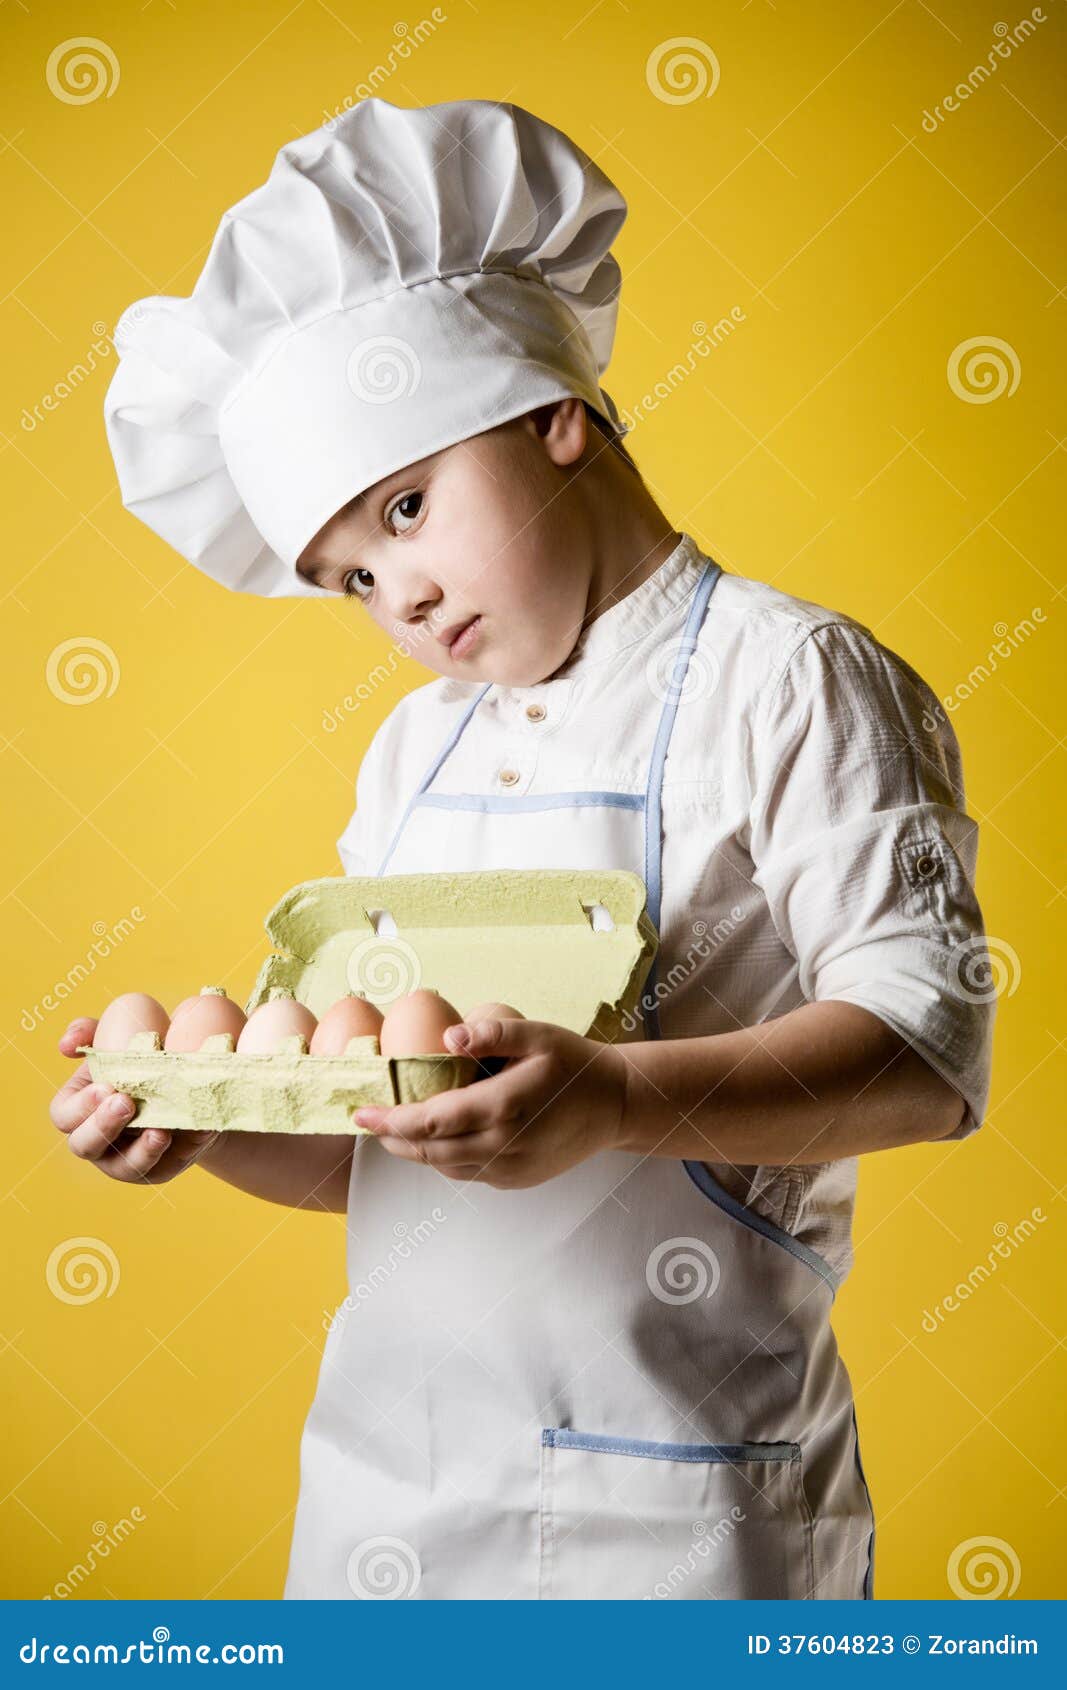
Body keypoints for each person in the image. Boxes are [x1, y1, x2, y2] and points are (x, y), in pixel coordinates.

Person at [51, 97, 993, 1600]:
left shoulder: (790, 678)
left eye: (410, 508)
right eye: (353, 574)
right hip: (386, 1507)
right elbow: (394, 1150)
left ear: (558, 408)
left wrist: (614, 1095)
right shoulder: (411, 751)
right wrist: (214, 1121)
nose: (402, 598)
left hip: (688, 1519)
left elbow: (926, 1060)